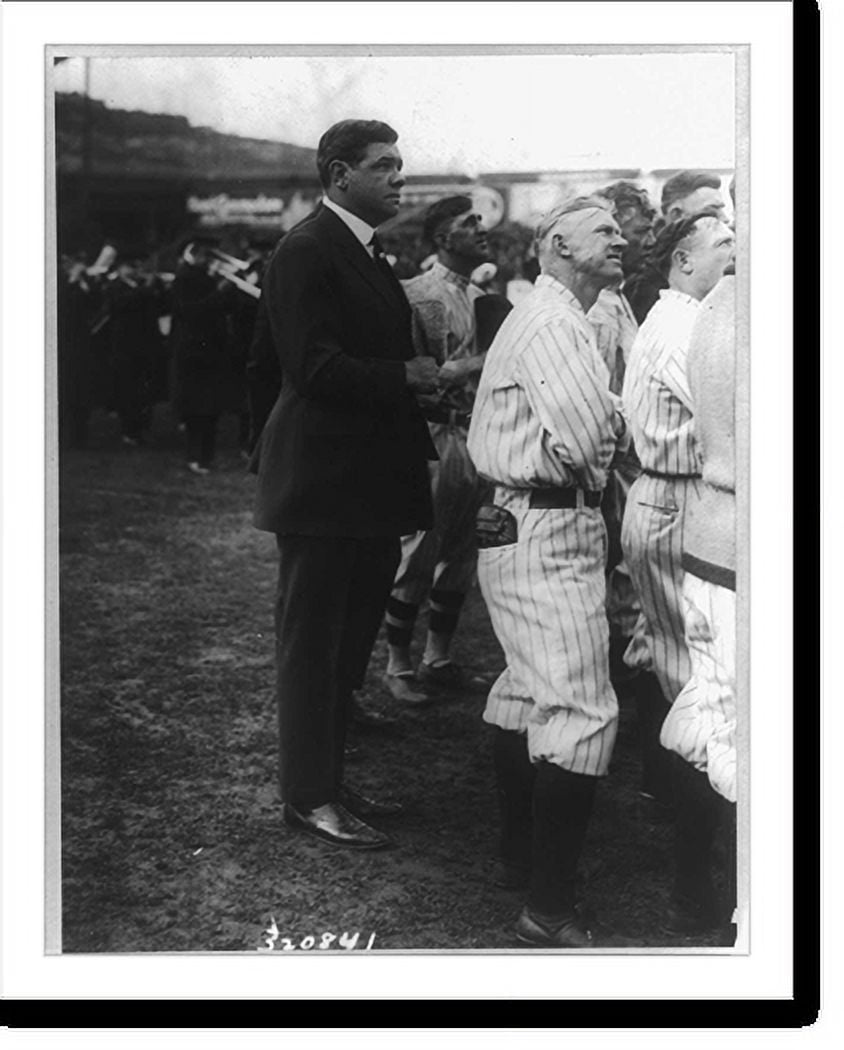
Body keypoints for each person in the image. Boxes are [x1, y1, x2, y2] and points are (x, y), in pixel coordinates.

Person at [249, 119, 437, 851]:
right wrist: (407, 377)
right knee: (313, 649)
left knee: (348, 643)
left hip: (364, 482)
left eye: (399, 163)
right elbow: (310, 367)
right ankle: (309, 797)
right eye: (384, 165)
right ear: (338, 175)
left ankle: (327, 780)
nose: (399, 176)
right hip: (324, 485)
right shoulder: (306, 249)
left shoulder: (361, 248)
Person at [467, 198, 629, 947]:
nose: (620, 239)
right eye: (605, 230)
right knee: (582, 712)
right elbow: (591, 445)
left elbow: (593, 423)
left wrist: (606, 420)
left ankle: (519, 859)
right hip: (547, 518)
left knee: (526, 690)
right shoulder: (555, 320)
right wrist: (610, 427)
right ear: (559, 244)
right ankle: (548, 909)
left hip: (523, 516)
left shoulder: (553, 314)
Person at [620, 214, 735, 778]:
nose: (734, 250)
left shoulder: (687, 316)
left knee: (670, 647)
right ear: (683, 260)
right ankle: (683, 799)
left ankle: (662, 786)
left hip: (671, 492)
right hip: (675, 495)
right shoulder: (680, 323)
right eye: (723, 242)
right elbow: (725, 413)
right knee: (691, 664)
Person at [382, 195, 496, 703]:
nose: (481, 228)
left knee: (464, 551)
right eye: (470, 222)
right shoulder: (415, 293)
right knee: (420, 548)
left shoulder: (485, 298)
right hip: (432, 434)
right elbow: (424, 374)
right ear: (444, 238)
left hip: (476, 434)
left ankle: (438, 656)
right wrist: (480, 362)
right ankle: (397, 663)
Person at [659, 246, 738, 938]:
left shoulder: (720, 300)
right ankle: (751, 920)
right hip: (744, 544)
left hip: (712, 535)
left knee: (708, 714)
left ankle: (691, 888)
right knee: (750, 740)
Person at [586, 182, 672, 807]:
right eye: (631, 232)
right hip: (613, 473)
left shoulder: (618, 299)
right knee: (620, 600)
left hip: (627, 468)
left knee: (628, 601)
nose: (639, 241)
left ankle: (628, 734)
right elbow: (594, 400)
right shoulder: (597, 309)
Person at [625, 170, 728, 324]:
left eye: (722, 209)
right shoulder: (644, 283)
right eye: (711, 212)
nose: (725, 219)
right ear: (676, 215)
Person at [171, 238, 235, 474]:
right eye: (206, 256)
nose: (209, 261)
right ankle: (195, 456)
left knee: (211, 409)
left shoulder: (205, 278)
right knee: (196, 410)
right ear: (194, 255)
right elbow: (191, 312)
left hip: (211, 351)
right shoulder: (183, 279)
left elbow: (223, 309)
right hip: (193, 351)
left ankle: (206, 457)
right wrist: (220, 291)